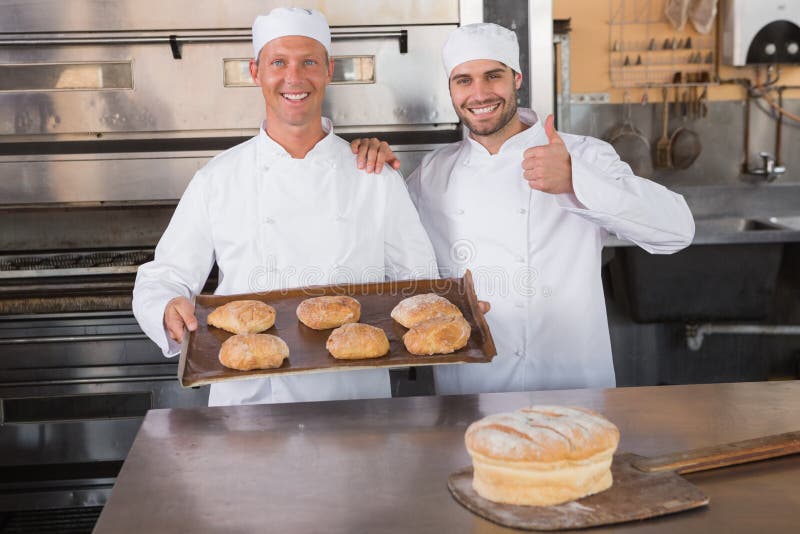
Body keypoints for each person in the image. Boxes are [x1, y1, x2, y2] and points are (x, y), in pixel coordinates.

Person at [351, 23, 695, 395]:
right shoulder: (434, 172)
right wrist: (372, 169)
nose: (479, 93)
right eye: (463, 80)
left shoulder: (582, 155)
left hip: (571, 382)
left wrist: (577, 181)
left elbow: (677, 231)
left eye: (493, 76)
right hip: (473, 387)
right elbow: (397, 259)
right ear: (451, 89)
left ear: (516, 78)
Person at [132, 7, 437, 406]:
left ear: (328, 70)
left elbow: (420, 283)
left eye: (309, 62)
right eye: (278, 62)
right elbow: (165, 276)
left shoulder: (375, 176)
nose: (294, 78)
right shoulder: (218, 178)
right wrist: (167, 307)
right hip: (249, 398)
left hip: (353, 400)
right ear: (255, 72)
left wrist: (448, 308)